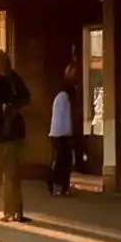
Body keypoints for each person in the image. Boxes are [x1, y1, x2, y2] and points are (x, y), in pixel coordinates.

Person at [0, 49, 31, 223]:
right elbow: (26, 98)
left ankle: (9, 211)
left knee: (4, 173)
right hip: (16, 131)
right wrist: (14, 106)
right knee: (13, 173)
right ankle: (17, 211)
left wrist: (4, 107)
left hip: (1, 132)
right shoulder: (15, 79)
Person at [47, 63, 78, 196]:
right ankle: (56, 183)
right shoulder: (65, 96)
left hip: (60, 133)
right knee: (62, 161)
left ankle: (62, 186)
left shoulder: (62, 96)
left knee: (64, 161)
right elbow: (65, 117)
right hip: (61, 134)